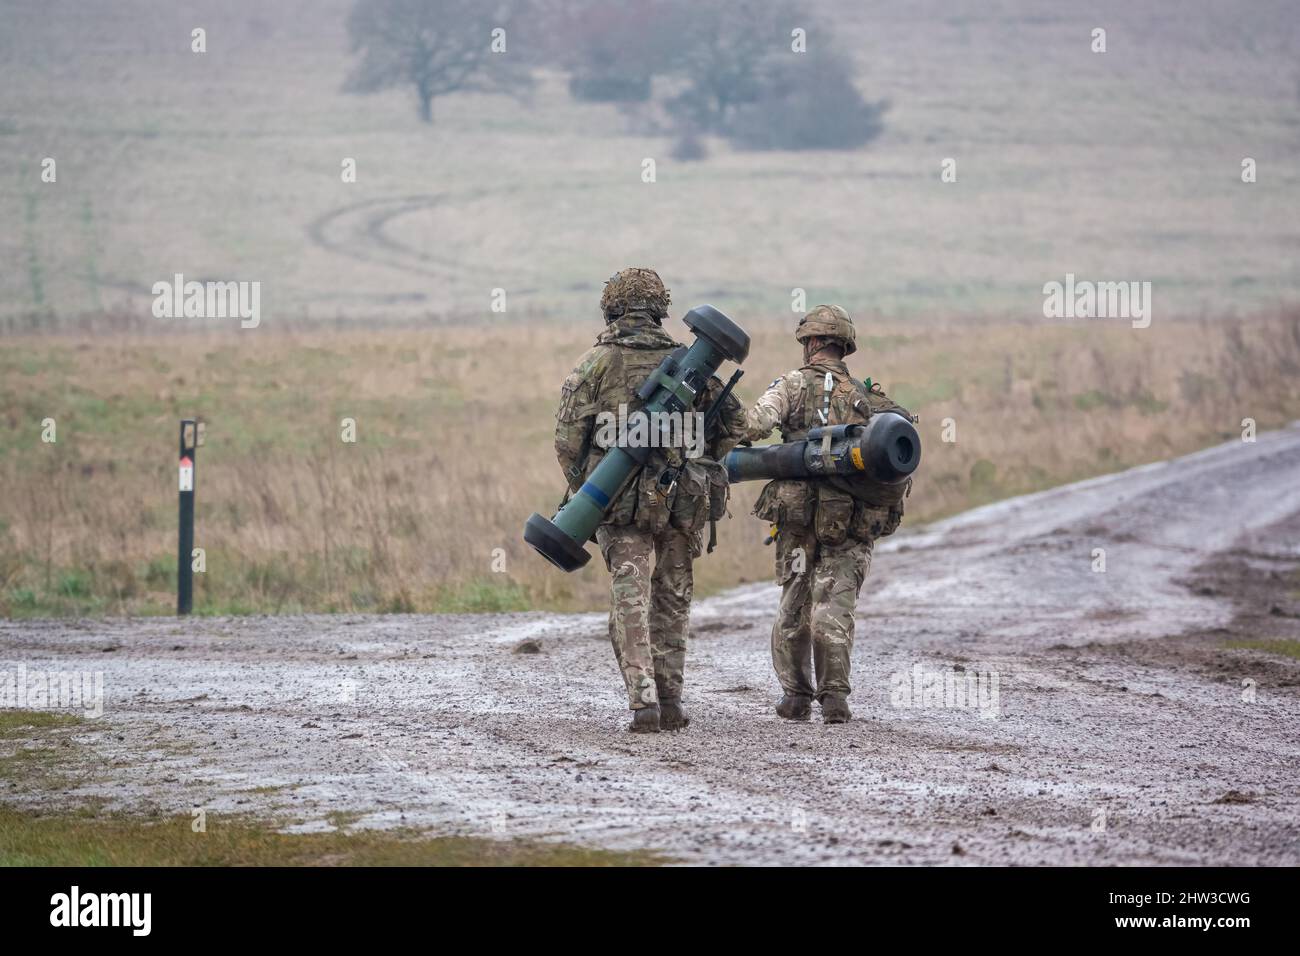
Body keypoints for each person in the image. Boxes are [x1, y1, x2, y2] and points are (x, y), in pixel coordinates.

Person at [554, 268, 744, 732]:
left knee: (630, 597)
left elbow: (565, 439)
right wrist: (697, 462)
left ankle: (643, 704)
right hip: (681, 501)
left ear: (611, 307)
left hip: (617, 505)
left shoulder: (594, 364)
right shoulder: (690, 363)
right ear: (661, 309)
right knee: (673, 598)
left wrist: (590, 489)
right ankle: (672, 701)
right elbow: (734, 426)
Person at [741, 305, 909, 724]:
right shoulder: (869, 397)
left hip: (798, 520)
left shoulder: (792, 385)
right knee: (834, 606)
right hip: (851, 522)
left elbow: (755, 424)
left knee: (794, 603)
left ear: (811, 342)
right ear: (844, 345)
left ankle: (795, 696)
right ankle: (834, 699)